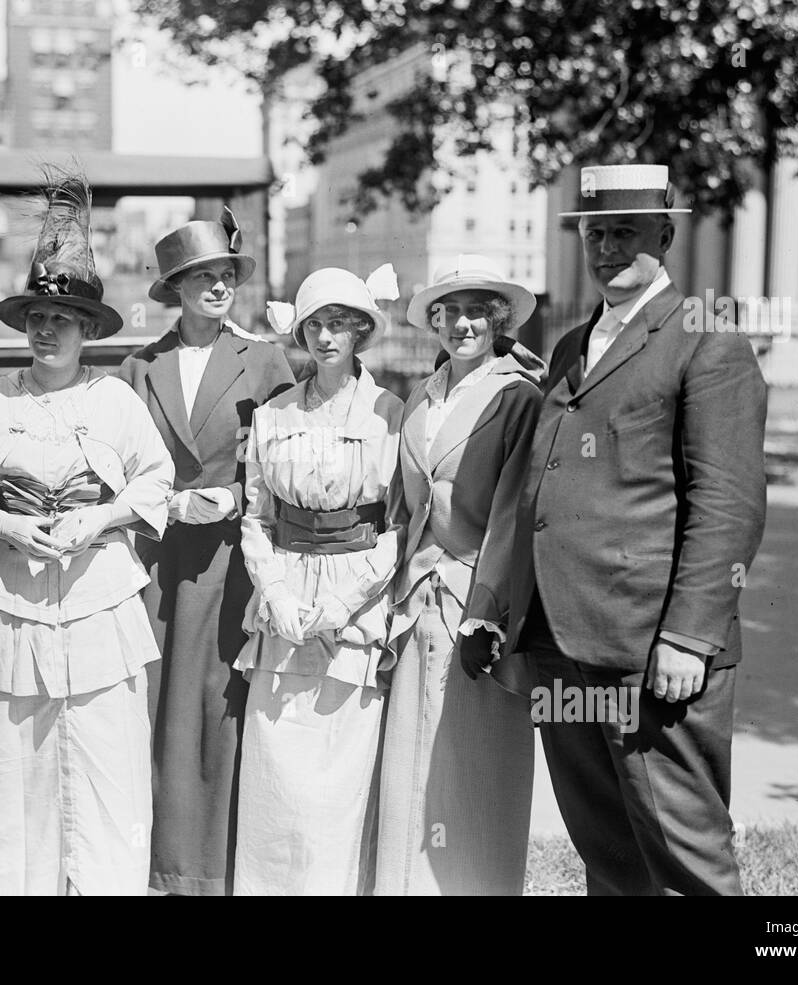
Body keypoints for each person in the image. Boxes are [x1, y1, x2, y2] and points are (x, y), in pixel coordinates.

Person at [466, 164, 768, 895]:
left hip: (649, 648)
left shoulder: (705, 338)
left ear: (664, 234)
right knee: (608, 853)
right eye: (594, 232)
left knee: (684, 855)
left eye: (624, 232)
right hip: (561, 645)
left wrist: (691, 635)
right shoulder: (570, 346)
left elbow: (728, 501)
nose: (605, 247)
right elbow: (540, 482)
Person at [0, 167, 174, 895]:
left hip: (99, 609)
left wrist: (100, 517)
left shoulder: (115, 402)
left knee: (107, 778)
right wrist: (7, 525)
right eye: (38, 319)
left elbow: (156, 480)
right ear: (24, 324)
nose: (48, 331)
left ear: (88, 330)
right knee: (17, 780)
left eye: (64, 320)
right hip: (15, 612)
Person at [116, 209, 295, 895]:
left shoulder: (267, 358)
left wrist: (237, 495)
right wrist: (163, 502)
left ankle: (221, 868)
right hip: (160, 562)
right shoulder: (140, 366)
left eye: (226, 274)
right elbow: (118, 465)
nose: (218, 286)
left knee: (225, 705)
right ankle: (163, 867)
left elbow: (289, 454)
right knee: (161, 706)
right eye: (202, 276)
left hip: (233, 561)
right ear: (176, 286)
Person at [375, 255, 546, 896]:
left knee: (472, 757)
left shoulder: (518, 398)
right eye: (450, 312)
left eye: (478, 312)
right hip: (417, 594)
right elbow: (404, 502)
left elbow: (516, 515)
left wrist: (488, 611)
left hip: (477, 599)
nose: (463, 324)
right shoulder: (423, 392)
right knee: (415, 754)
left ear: (497, 321)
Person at [233, 265, 404, 895]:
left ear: (361, 332)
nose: (327, 337)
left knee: (338, 773)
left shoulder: (389, 411)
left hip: (352, 606)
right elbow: (256, 515)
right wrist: (274, 592)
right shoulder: (274, 414)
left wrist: (341, 604)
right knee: (278, 770)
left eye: (340, 324)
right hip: (282, 600)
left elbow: (400, 527)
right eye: (316, 325)